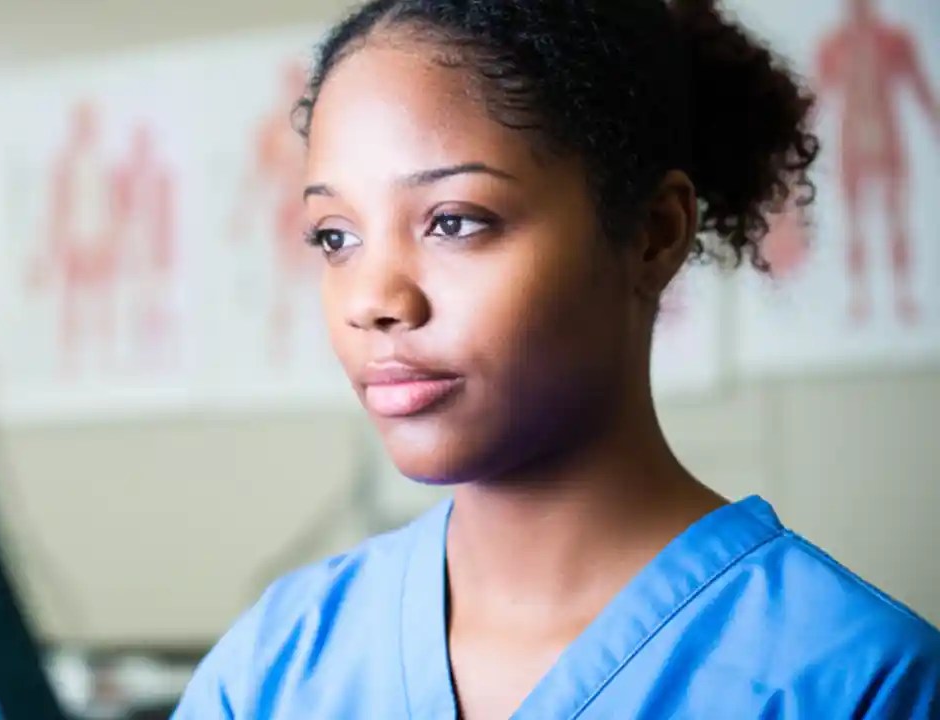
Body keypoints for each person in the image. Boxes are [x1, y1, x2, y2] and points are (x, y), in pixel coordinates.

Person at [175, 0, 940, 717]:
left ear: (653, 233)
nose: (374, 300)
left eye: (454, 222)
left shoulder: (854, 679)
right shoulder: (274, 664)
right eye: (335, 236)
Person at [816, 0, 938, 324]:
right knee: (855, 222)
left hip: (887, 135)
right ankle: (860, 296)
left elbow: (920, 87)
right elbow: (817, 97)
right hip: (853, 138)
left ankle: (903, 294)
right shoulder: (834, 45)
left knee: (896, 219)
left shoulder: (895, 40)